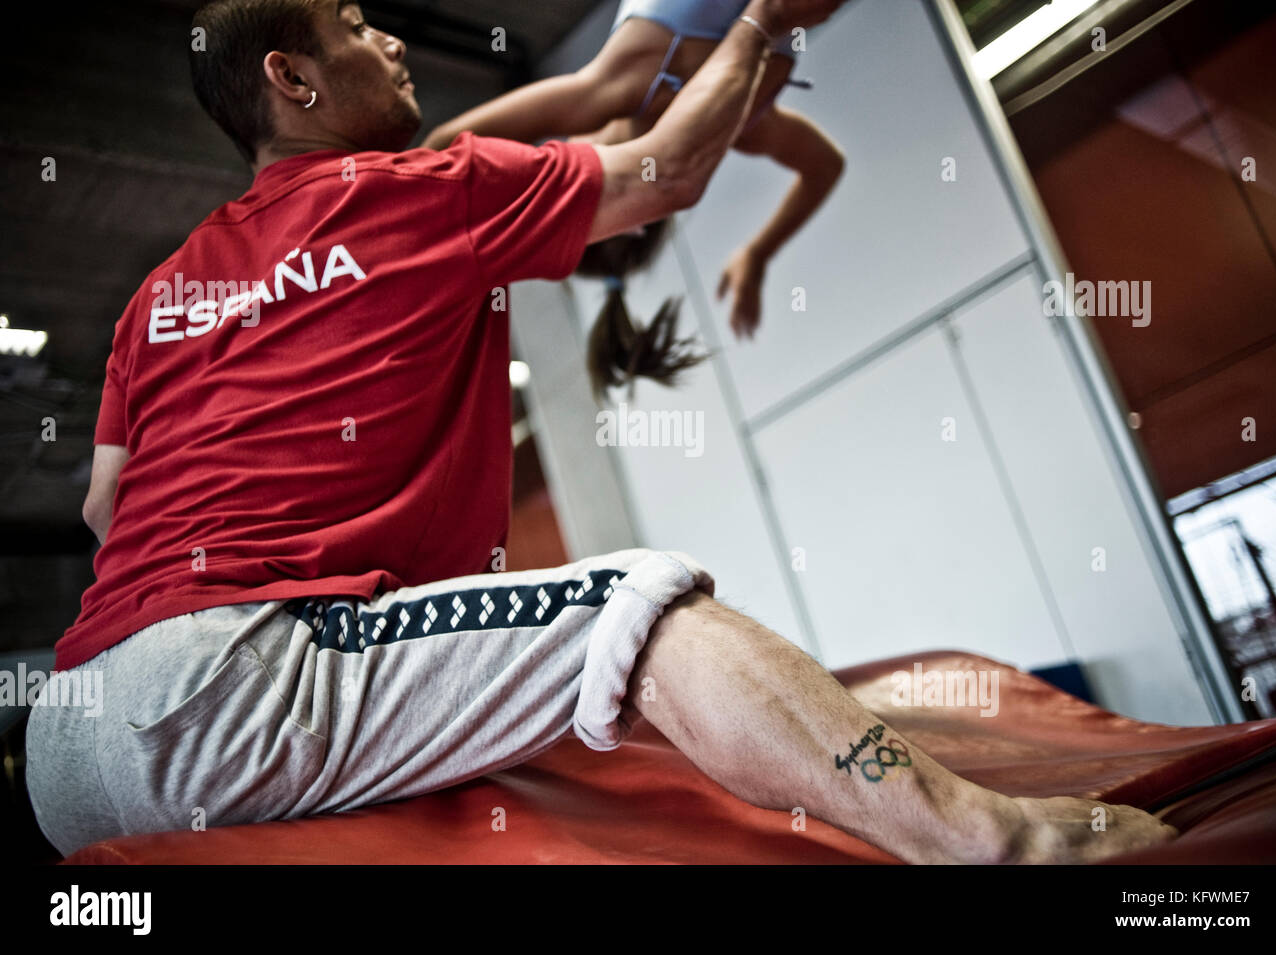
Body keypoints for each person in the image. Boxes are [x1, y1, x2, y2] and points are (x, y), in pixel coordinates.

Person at [25, 0, 1177, 864]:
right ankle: (1007, 845)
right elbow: (670, 166)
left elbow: (104, 508)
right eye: (354, 24)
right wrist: (769, 25)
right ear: (293, 76)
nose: (385, 38)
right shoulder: (418, 187)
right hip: (228, 690)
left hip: (66, 751)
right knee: (642, 607)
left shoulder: (161, 292)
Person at [425, 0, 847, 396]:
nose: (560, 158)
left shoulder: (742, 123)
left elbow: (825, 167)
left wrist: (758, 254)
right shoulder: (607, 90)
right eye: (564, 179)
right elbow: (441, 148)